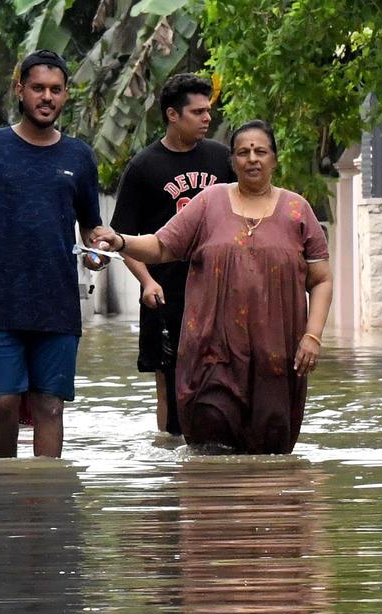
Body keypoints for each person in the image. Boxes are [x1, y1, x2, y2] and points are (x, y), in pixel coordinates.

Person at [91, 120, 332, 454]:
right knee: (210, 449)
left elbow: (320, 280)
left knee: (271, 457)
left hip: (275, 359)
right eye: (243, 152)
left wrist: (312, 337)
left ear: (275, 160)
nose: (252, 159)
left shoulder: (296, 210)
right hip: (211, 355)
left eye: (260, 151)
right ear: (232, 161)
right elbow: (161, 247)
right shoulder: (208, 202)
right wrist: (120, 241)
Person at [0, 50, 103, 457]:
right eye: (37, 88)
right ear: (20, 90)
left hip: (57, 303)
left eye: (55, 89)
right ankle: (5, 482)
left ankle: (49, 502)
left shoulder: (79, 157)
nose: (46, 97)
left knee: (50, 405)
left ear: (65, 95)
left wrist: (95, 251)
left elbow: (90, 225)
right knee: (1, 402)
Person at [110, 73, 233, 436]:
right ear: (172, 115)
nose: (207, 119)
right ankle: (170, 455)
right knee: (168, 378)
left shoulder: (223, 158)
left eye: (208, 111)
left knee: (221, 372)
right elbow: (123, 238)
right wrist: (146, 281)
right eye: (197, 112)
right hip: (165, 292)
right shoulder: (143, 167)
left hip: (217, 290)